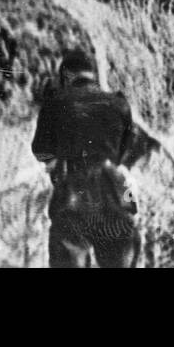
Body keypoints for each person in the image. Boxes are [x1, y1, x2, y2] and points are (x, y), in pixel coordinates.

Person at [31, 48, 141, 268]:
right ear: (93, 74)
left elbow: (41, 150)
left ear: (66, 77)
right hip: (115, 193)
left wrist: (59, 159)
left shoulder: (55, 102)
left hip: (72, 194)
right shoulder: (119, 103)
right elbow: (127, 151)